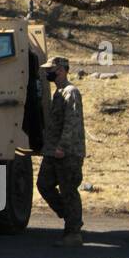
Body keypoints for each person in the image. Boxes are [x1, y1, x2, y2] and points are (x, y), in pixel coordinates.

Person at [36, 56, 86, 247]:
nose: (49, 73)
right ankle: (70, 216)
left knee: (69, 190)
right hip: (53, 151)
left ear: (62, 70)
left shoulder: (70, 92)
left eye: (52, 70)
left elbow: (72, 122)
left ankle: (73, 233)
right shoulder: (59, 92)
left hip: (67, 152)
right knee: (44, 184)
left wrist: (62, 147)